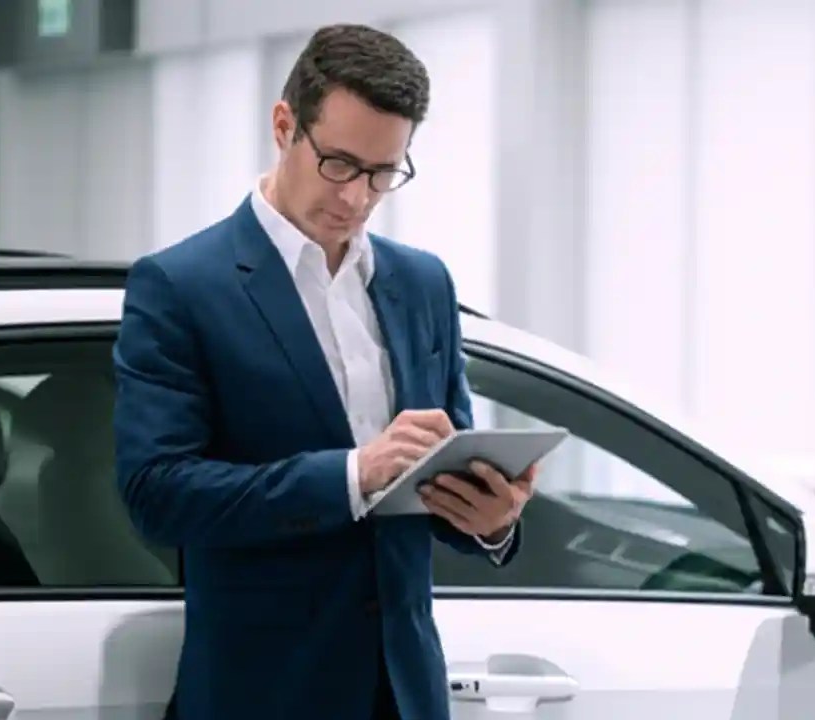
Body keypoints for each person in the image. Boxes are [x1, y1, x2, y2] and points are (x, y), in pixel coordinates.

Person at [112, 23, 535, 720]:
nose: (357, 198)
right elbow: (156, 494)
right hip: (266, 695)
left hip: (405, 695)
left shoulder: (423, 283)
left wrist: (490, 520)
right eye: (339, 164)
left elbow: (440, 470)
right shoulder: (181, 286)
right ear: (284, 126)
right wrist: (352, 474)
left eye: (382, 174)